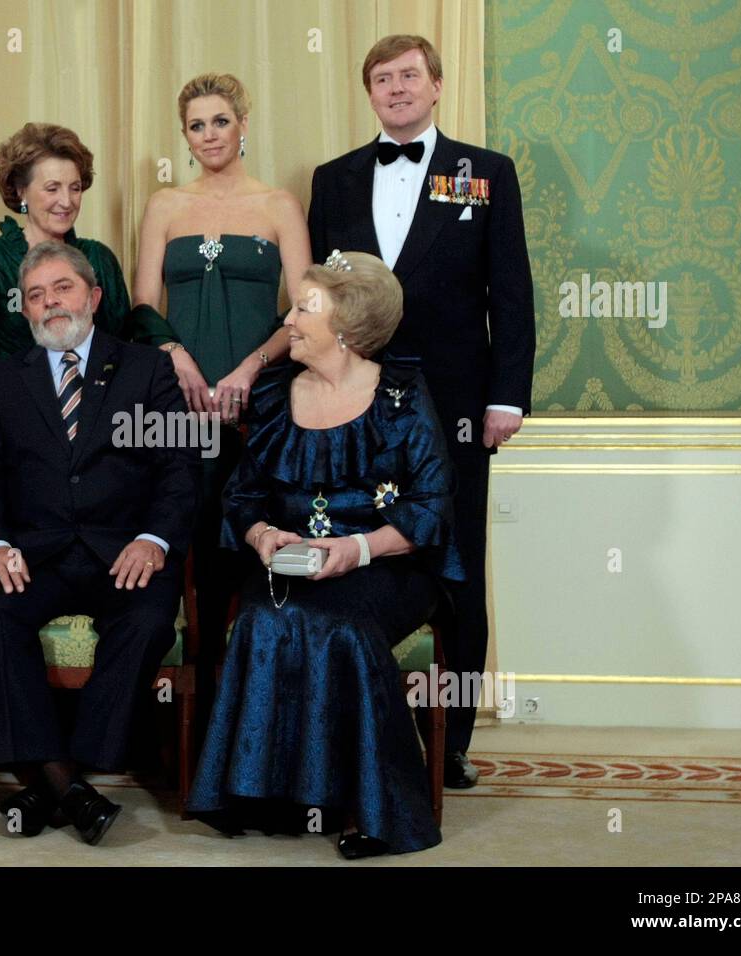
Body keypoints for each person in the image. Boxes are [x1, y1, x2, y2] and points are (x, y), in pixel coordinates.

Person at [307, 35, 535, 788]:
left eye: (410, 75)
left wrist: (505, 397)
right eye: (382, 78)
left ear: (436, 86)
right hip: (357, 406)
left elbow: (513, 293)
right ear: (369, 93)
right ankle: (357, 736)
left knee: (457, 562)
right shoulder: (333, 180)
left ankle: (453, 741)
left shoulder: (487, 173)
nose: (397, 88)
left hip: (461, 406)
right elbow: (318, 303)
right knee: (354, 550)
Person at [187, 251, 464, 859]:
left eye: (304, 308)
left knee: (339, 627)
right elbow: (243, 496)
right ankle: (265, 796)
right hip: (289, 564)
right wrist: (263, 536)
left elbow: (430, 506)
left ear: (347, 325)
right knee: (265, 619)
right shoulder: (271, 394)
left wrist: (356, 548)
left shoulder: (402, 394)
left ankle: (374, 810)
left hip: (387, 565)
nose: (287, 320)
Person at [0, 242, 198, 845]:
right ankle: (72, 789)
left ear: (91, 297)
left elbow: (180, 471)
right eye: (35, 295)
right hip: (33, 554)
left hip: (123, 552)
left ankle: (56, 778)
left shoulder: (147, 369)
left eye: (61, 289)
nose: (49, 304)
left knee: (146, 622)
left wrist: (153, 539)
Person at [132, 72, 312, 663]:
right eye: (196, 125)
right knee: (189, 540)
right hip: (180, 402)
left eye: (220, 121)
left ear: (242, 126)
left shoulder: (278, 204)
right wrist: (175, 354)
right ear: (185, 136)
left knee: (251, 536)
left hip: (259, 399)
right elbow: (141, 305)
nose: (209, 135)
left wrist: (250, 369)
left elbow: (306, 309)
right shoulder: (165, 204)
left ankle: (257, 697)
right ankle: (198, 709)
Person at [0, 123, 173, 420]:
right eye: (52, 188)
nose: (66, 201)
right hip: (15, 422)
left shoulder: (99, 259)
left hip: (94, 424)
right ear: (20, 190)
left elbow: (120, 350)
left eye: (75, 188)